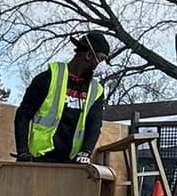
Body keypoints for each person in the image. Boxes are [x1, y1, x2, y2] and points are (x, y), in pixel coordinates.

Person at [14, 31, 109, 164]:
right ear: (88, 55)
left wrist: (86, 151)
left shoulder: (96, 91)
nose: (100, 65)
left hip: (72, 162)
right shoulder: (49, 78)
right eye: (101, 59)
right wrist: (22, 152)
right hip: (41, 158)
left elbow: (94, 124)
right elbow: (23, 114)